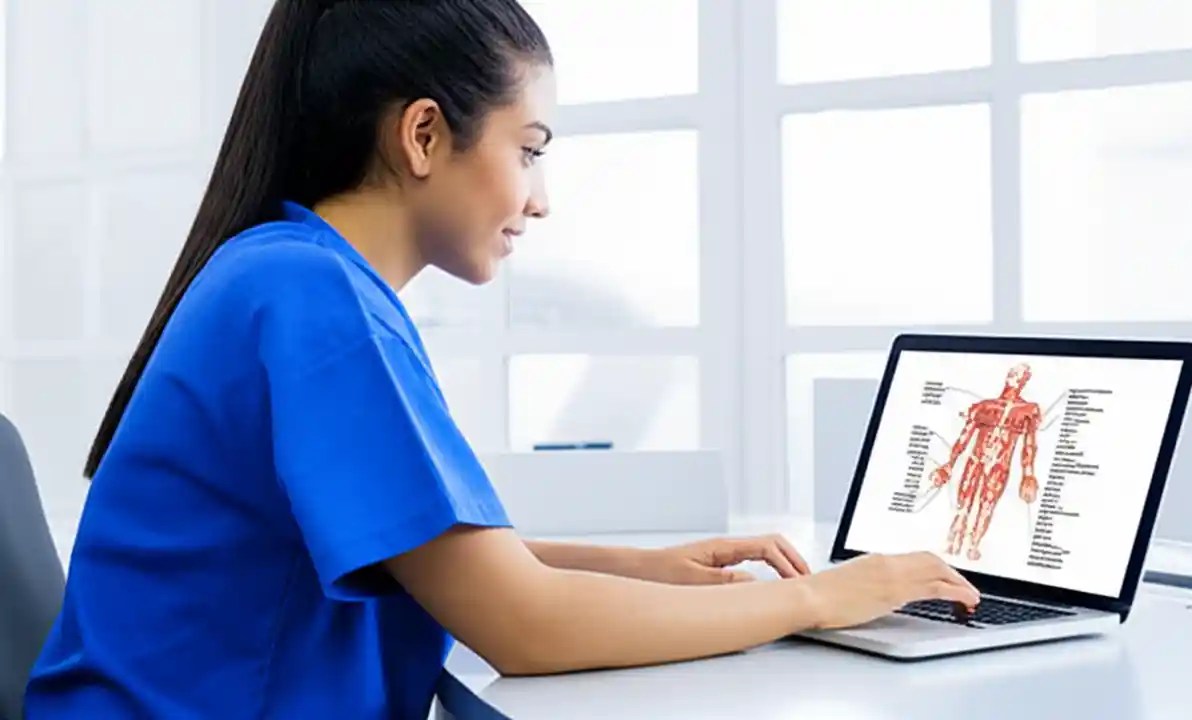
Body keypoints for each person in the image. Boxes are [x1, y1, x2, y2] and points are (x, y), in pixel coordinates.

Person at [23, 1, 980, 717]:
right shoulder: (311, 299)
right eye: (529, 150)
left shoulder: (290, 273)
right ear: (423, 135)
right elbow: (522, 627)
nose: (540, 198)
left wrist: (642, 568)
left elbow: (429, 558)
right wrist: (821, 598)